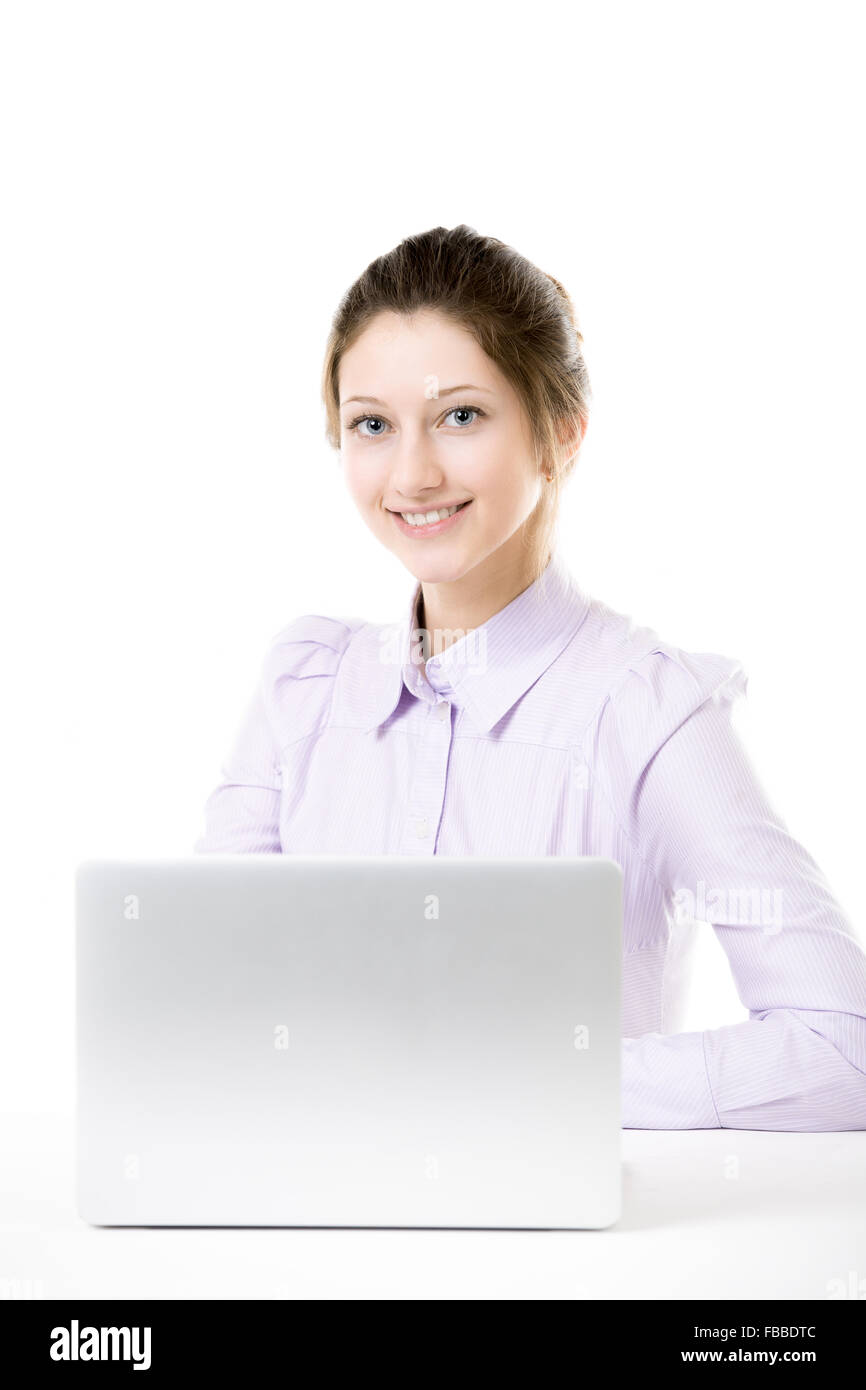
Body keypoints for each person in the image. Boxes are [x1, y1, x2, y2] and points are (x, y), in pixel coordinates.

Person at [194, 223, 866, 1131]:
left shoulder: (650, 711)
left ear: (561, 432)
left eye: (460, 416)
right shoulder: (303, 689)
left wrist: (534, 1081)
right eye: (372, 426)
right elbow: (199, 996)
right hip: (309, 1237)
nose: (412, 473)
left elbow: (840, 1049)